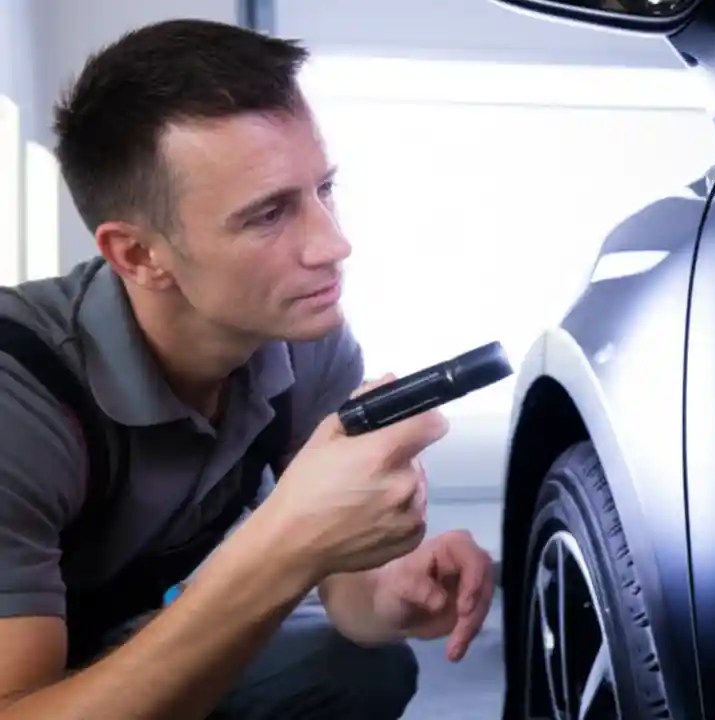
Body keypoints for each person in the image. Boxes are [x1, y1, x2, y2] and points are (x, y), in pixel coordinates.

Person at [0, 18, 496, 719]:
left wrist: (393, 586)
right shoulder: (18, 400)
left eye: (324, 189)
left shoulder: (303, 344)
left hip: (103, 639)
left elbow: (350, 602)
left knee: (357, 667)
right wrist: (284, 547)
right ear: (139, 256)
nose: (333, 244)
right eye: (268, 215)